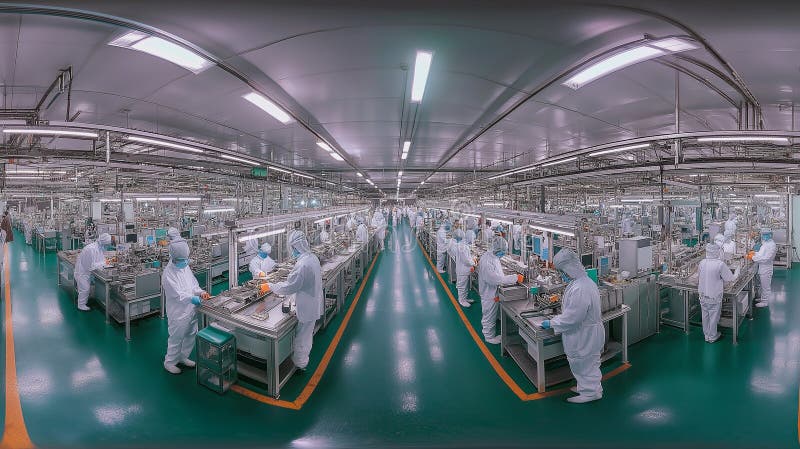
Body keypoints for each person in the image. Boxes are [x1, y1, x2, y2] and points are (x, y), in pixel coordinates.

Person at [541, 248, 604, 403]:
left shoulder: (581, 288)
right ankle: (587, 387)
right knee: (587, 364)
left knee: (584, 364)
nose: (563, 275)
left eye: (563, 272)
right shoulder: (583, 281)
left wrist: (553, 322)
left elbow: (574, 317)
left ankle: (590, 393)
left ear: (570, 268)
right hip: (588, 333)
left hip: (584, 335)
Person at [263, 231, 323, 370]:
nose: (292, 251)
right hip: (312, 301)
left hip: (307, 306)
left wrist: (270, 286)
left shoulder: (303, 265)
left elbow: (290, 287)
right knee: (307, 334)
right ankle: (302, 360)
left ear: (296, 247)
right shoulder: (311, 257)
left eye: (293, 248)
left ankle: (300, 363)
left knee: (302, 337)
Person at [162, 241, 210, 374]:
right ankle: (170, 362)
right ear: (174, 258)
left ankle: (183, 357)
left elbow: (193, 284)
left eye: (185, 259)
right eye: (183, 260)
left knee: (190, 334)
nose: (185, 262)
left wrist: (200, 292)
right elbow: (177, 295)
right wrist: (193, 298)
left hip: (191, 309)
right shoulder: (168, 274)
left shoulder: (184, 266)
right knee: (176, 338)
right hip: (178, 312)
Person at [478, 237, 523, 344]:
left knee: (490, 314)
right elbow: (494, 279)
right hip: (489, 293)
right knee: (489, 315)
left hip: (492, 291)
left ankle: (488, 331)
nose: (503, 253)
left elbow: (498, 274)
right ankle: (489, 337)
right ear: (497, 250)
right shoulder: (487, 261)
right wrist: (515, 278)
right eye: (503, 251)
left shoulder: (493, 256)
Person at [698, 244, 738, 343]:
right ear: (717, 251)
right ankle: (712, 336)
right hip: (714, 296)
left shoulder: (702, 262)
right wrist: (737, 272)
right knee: (714, 316)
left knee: (705, 315)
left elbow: (700, 275)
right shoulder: (720, 264)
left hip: (702, 295)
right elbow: (730, 279)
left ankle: (706, 335)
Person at [74, 233, 113, 311]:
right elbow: (90, 266)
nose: (108, 246)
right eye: (107, 244)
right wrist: (105, 263)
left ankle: (93, 299)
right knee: (85, 289)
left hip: (89, 272)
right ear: (104, 242)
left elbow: (100, 259)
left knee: (88, 287)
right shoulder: (91, 249)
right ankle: (81, 305)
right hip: (83, 272)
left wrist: (105, 262)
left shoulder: (99, 247)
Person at [748, 228, 777, 308]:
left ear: (770, 235)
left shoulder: (772, 245)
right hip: (762, 267)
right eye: (763, 234)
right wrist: (754, 253)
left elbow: (766, 258)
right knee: (762, 284)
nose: (764, 236)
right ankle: (762, 298)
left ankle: (765, 302)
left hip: (766, 268)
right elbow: (761, 254)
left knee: (766, 286)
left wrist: (753, 258)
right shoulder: (766, 243)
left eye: (766, 234)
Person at [452, 229, 475, 308]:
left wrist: (472, 259)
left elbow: (467, 257)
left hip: (464, 269)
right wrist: (474, 262)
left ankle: (464, 298)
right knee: (462, 286)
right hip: (463, 270)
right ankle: (461, 300)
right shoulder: (463, 247)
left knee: (465, 286)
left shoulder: (463, 245)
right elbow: (466, 260)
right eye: (473, 238)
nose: (473, 240)